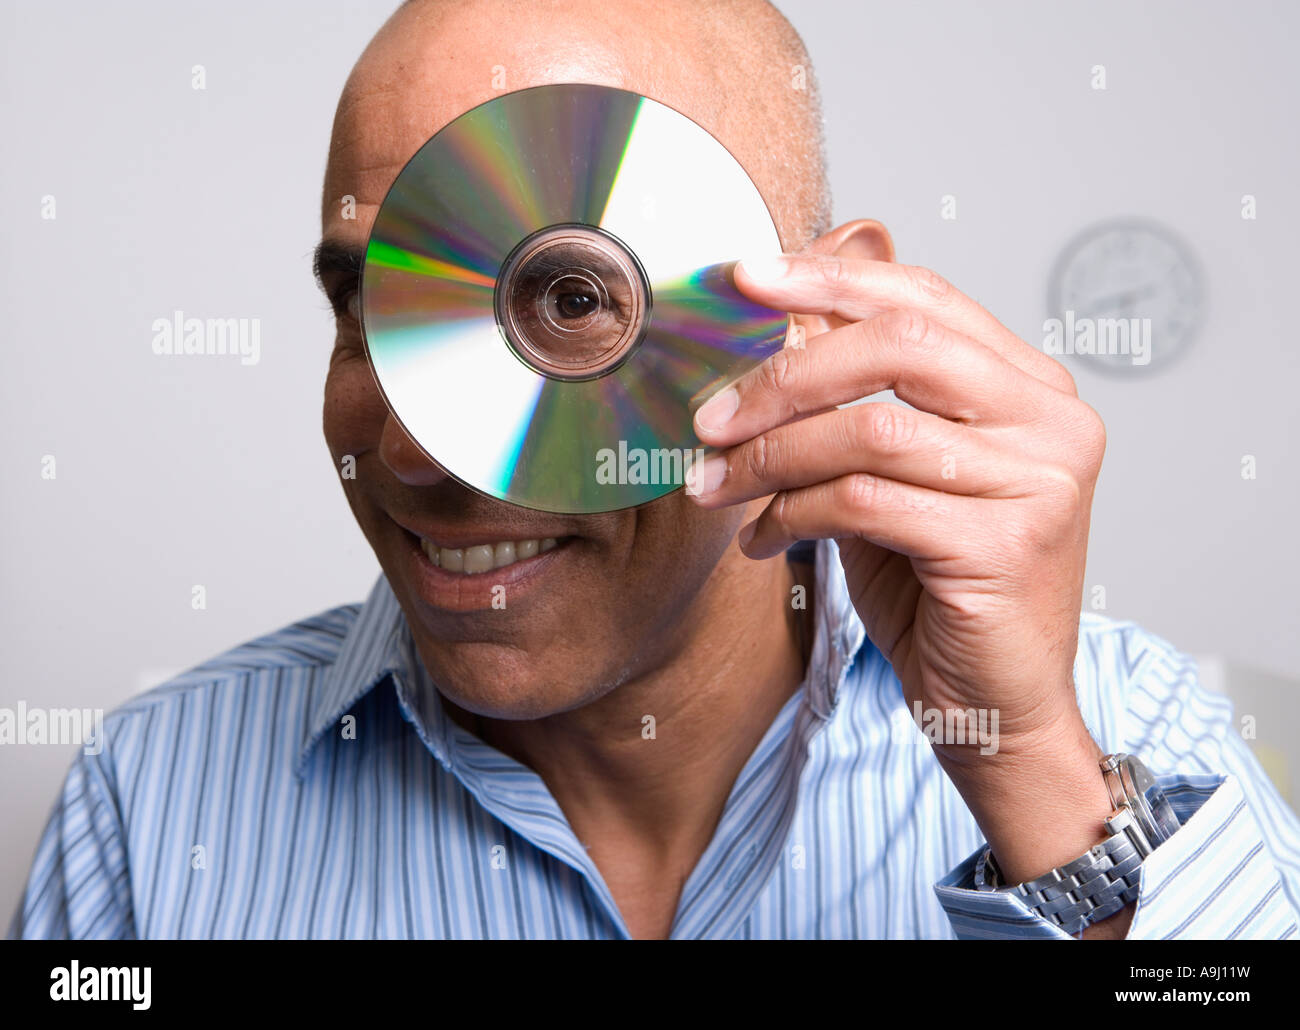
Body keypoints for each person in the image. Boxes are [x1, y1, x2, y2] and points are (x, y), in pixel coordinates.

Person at [11, 0, 1299, 940]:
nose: (411, 450)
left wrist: (1031, 773)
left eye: (569, 300)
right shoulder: (154, 799)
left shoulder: (1121, 728)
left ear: (821, 317)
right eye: (369, 305)